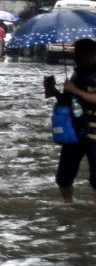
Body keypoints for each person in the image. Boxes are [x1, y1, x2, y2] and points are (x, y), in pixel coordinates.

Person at [45, 38, 96, 202]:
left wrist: (74, 89)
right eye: (76, 54)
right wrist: (52, 90)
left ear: (92, 55)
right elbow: (69, 102)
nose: (76, 58)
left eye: (80, 55)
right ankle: (68, 205)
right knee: (63, 177)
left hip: (94, 134)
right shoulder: (77, 73)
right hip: (74, 131)